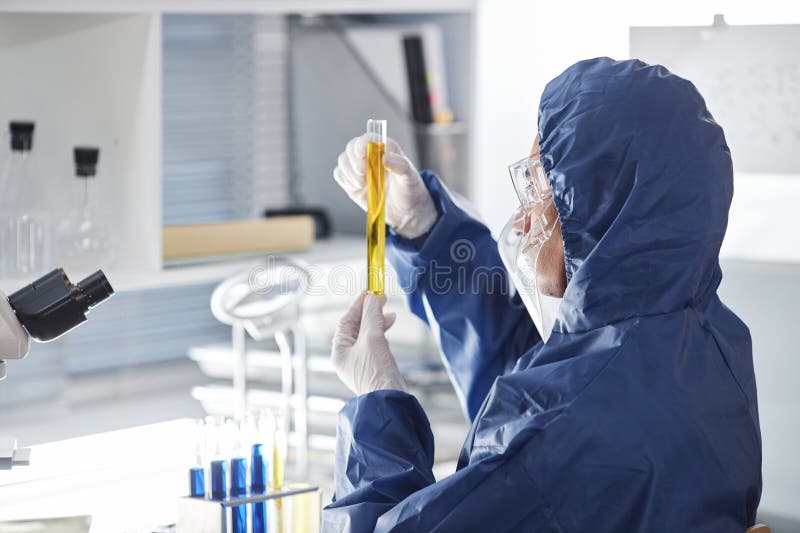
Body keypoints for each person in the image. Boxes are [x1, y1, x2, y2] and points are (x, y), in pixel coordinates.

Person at [324, 57, 762, 532]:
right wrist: (424, 226)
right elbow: (531, 380)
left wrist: (377, 405)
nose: (520, 220)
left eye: (537, 187)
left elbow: (539, 433)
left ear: (602, 208)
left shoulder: (561, 435)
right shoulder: (706, 340)